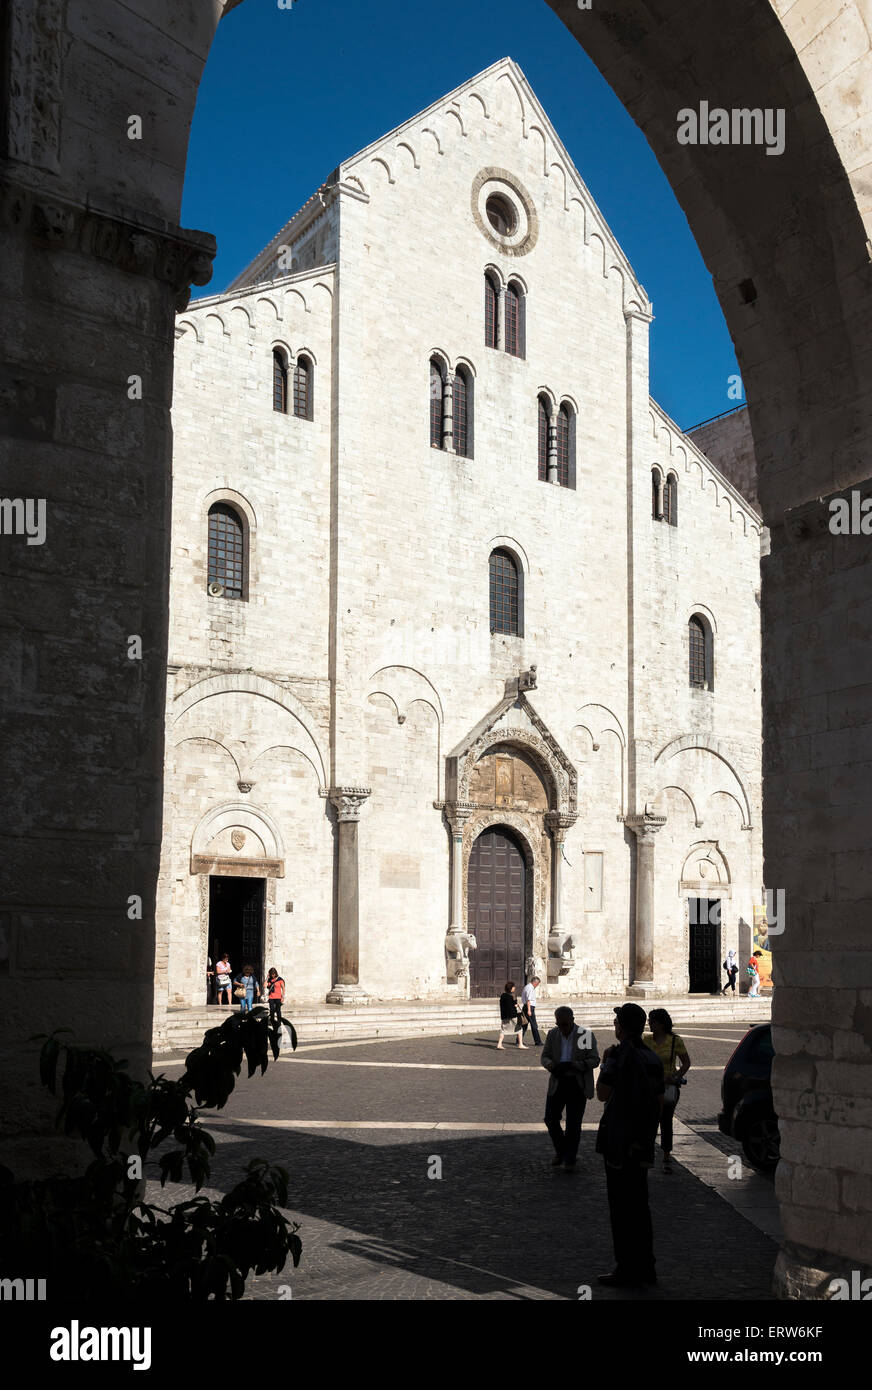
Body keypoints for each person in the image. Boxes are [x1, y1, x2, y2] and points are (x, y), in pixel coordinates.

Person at [595, 1002, 664, 1288]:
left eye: (616, 1023)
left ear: (620, 1027)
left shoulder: (617, 1056)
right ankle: (647, 1266)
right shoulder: (653, 1058)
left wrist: (604, 1061)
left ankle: (625, 1267)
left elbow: (602, 1093)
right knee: (640, 1205)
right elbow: (659, 1102)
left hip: (618, 1140)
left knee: (621, 1208)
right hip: (642, 1140)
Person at [541, 1006, 600, 1171]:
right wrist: (551, 1065)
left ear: (573, 1020)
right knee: (550, 1119)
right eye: (559, 1024)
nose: (562, 1028)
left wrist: (576, 1065)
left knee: (574, 1124)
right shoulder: (553, 1035)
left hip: (577, 1083)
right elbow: (544, 1056)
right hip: (558, 1081)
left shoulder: (585, 1035)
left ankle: (570, 1158)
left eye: (565, 1025)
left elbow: (595, 1059)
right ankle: (562, 1151)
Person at [645, 1009, 691, 1174]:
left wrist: (676, 1076)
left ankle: (666, 1155)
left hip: (668, 1087)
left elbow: (686, 1062)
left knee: (666, 1121)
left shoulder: (675, 1041)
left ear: (662, 1024)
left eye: (652, 1021)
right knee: (650, 1121)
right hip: (650, 1087)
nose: (649, 1024)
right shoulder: (646, 1040)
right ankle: (647, 1154)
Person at [496, 981, 525, 1050]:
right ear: (511, 988)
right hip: (512, 1015)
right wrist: (516, 1005)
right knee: (519, 1028)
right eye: (513, 987)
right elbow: (513, 1005)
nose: (514, 988)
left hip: (504, 1016)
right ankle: (520, 1044)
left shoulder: (503, 996)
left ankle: (499, 1044)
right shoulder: (513, 996)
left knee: (503, 1030)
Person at [520, 976, 542, 1045]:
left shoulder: (527, 987)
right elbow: (528, 1000)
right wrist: (529, 1010)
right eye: (537, 984)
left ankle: (518, 1041)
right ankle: (538, 1042)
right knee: (534, 1026)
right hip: (529, 1008)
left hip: (526, 1007)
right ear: (535, 982)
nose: (537, 986)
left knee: (524, 1025)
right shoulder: (530, 988)